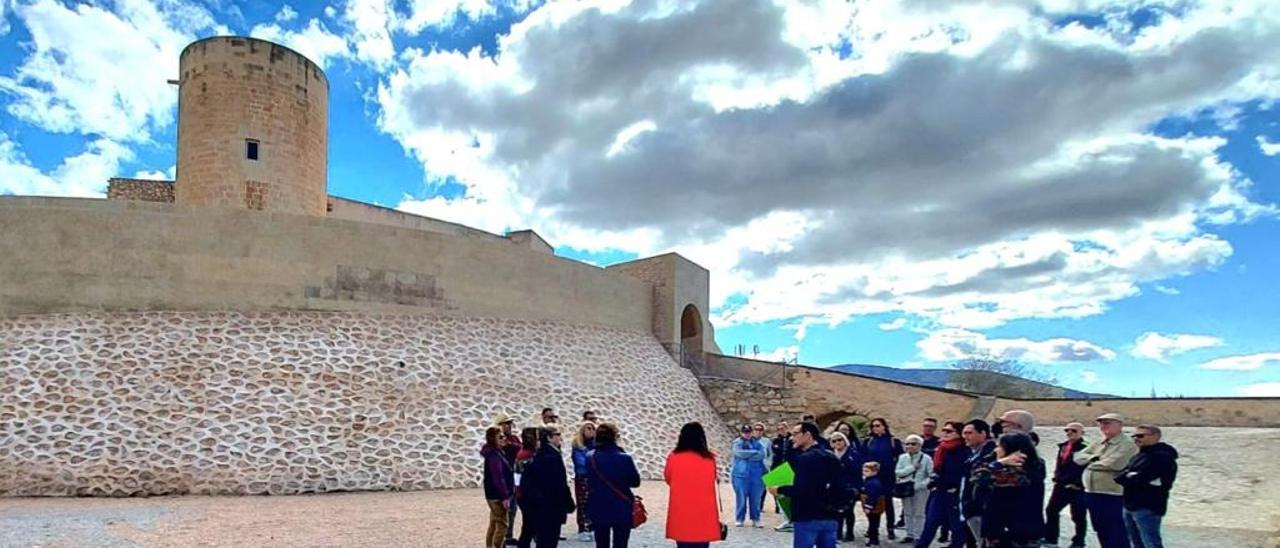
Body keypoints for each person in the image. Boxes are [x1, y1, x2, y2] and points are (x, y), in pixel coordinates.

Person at [769, 421, 842, 548]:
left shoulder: (805, 459)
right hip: (830, 515)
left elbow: (802, 488)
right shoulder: (831, 456)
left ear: (807, 435)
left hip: (807, 515)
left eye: (796, 433)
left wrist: (779, 490)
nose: (792, 437)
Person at [1073, 413, 1138, 548]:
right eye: (1101, 423)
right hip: (1091, 492)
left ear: (1119, 425)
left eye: (1107, 423)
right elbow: (1078, 458)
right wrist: (1094, 458)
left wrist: (1091, 462)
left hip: (1112, 494)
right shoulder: (1099, 442)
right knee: (1100, 528)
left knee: (1116, 529)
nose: (1103, 426)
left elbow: (1115, 464)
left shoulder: (1128, 444)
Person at [977, 433, 1046, 548]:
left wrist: (999, 463)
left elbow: (979, 477)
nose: (996, 450)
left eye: (999, 446)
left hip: (1012, 532)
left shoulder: (1017, 471)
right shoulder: (1035, 465)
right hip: (1019, 530)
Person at [1115, 425, 1178, 548]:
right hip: (1129, 504)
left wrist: (1131, 476)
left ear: (1155, 437)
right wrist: (1129, 476)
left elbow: (1143, 478)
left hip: (1148, 506)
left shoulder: (1162, 457)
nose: (1136, 439)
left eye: (1140, 435)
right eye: (1134, 436)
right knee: (1135, 542)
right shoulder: (1139, 456)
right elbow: (1120, 476)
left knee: (1151, 542)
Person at [664, 422, 722, 548]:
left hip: (681, 508)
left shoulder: (674, 457)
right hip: (704, 510)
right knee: (702, 542)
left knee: (683, 541)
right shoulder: (709, 459)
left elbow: (668, 479)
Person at [585, 423, 641, 548]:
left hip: (598, 504)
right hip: (621, 505)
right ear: (615, 437)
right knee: (621, 543)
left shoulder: (590, 457)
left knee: (601, 543)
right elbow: (635, 482)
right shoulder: (624, 458)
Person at [914, 421, 967, 548]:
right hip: (939, 491)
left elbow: (960, 471)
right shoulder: (942, 448)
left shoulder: (962, 450)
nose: (945, 433)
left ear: (959, 434)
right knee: (930, 523)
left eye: (949, 431)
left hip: (954, 493)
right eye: (944, 430)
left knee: (957, 528)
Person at [521, 425, 576, 547]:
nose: (560, 438)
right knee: (549, 540)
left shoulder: (541, 455)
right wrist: (568, 502)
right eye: (558, 434)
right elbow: (559, 483)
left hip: (543, 505)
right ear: (549, 438)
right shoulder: (551, 456)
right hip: (550, 506)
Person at [1045, 422, 1089, 548]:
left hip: (1077, 487)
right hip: (1061, 484)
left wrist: (1079, 484)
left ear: (1082, 433)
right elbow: (1061, 464)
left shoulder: (1085, 447)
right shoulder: (1063, 446)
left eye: (1074, 431)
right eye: (1067, 430)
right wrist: (1057, 477)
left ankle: (1079, 541)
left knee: (1078, 515)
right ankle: (1051, 539)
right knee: (1051, 510)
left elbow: (1086, 467)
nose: (1069, 433)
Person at [865, 418, 904, 542]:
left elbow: (900, 457)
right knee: (872, 502)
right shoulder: (869, 441)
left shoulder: (893, 441)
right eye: (873, 426)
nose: (876, 428)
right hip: (873, 476)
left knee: (888, 503)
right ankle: (872, 529)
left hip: (887, 476)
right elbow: (864, 457)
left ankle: (890, 528)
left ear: (884, 426)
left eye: (878, 425)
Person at [960, 419, 996, 547]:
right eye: (964, 433)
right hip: (970, 508)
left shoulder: (991, 454)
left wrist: (972, 505)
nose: (965, 437)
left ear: (983, 433)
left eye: (969, 433)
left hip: (981, 509)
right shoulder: (972, 454)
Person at [895, 434, 932, 544]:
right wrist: (912, 468)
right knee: (907, 512)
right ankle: (909, 534)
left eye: (913, 443)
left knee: (919, 513)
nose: (910, 446)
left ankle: (918, 535)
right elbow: (898, 472)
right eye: (907, 444)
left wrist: (921, 485)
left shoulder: (926, 458)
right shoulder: (902, 457)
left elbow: (931, 475)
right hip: (905, 488)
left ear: (920, 445)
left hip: (920, 490)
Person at [483, 425, 516, 548]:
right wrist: (505, 497)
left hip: (492, 494)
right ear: (493, 439)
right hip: (497, 495)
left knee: (494, 523)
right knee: (502, 525)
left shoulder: (495, 453)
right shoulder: (494, 456)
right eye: (500, 437)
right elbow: (498, 478)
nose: (504, 439)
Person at [830, 432, 865, 542]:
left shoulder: (853, 454)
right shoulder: (830, 455)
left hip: (850, 486)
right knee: (836, 510)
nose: (837, 443)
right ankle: (838, 533)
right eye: (834, 441)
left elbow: (857, 470)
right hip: (835, 487)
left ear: (845, 441)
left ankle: (849, 533)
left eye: (840, 440)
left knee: (848, 510)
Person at [731, 424, 768, 527]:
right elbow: (739, 453)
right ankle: (739, 518)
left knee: (756, 498)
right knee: (741, 498)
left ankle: (756, 518)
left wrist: (748, 456)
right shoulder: (737, 443)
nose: (747, 434)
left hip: (756, 474)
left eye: (748, 432)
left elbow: (762, 454)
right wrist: (754, 453)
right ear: (741, 433)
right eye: (744, 432)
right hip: (740, 475)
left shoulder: (757, 443)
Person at [495, 413, 523, 546]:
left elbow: (519, 450)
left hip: (514, 476)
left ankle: (509, 534)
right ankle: (501, 537)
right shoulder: (497, 440)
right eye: (506, 423)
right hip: (503, 477)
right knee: (502, 510)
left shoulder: (514, 439)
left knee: (513, 508)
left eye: (510, 423)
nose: (509, 426)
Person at [571, 421, 599, 542]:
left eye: (593, 428)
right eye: (588, 428)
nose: (591, 431)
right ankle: (583, 528)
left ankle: (592, 526)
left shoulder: (596, 446)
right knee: (583, 503)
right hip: (583, 478)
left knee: (594, 503)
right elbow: (581, 463)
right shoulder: (578, 447)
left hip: (594, 479)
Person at [514, 427, 541, 548]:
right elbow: (519, 477)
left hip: (523, 494)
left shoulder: (524, 453)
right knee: (529, 526)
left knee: (529, 525)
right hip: (526, 495)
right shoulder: (527, 455)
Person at [772, 420, 795, 531]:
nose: (781, 431)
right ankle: (786, 519)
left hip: (790, 470)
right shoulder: (776, 441)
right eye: (779, 429)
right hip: (778, 470)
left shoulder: (793, 440)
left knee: (790, 496)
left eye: (783, 428)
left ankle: (792, 519)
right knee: (779, 497)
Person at [862, 461, 887, 546]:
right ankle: (873, 538)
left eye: (867, 471)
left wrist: (868, 506)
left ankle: (873, 540)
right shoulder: (871, 481)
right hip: (875, 506)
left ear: (875, 472)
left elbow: (872, 496)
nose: (864, 473)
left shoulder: (873, 483)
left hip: (874, 506)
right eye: (864, 470)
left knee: (873, 523)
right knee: (873, 523)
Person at [753, 422, 773, 512]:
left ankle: (760, 506)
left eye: (760, 429)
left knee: (762, 488)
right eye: (756, 429)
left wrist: (768, 463)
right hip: (752, 467)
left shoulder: (767, 441)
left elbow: (770, 454)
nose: (758, 431)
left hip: (763, 467)